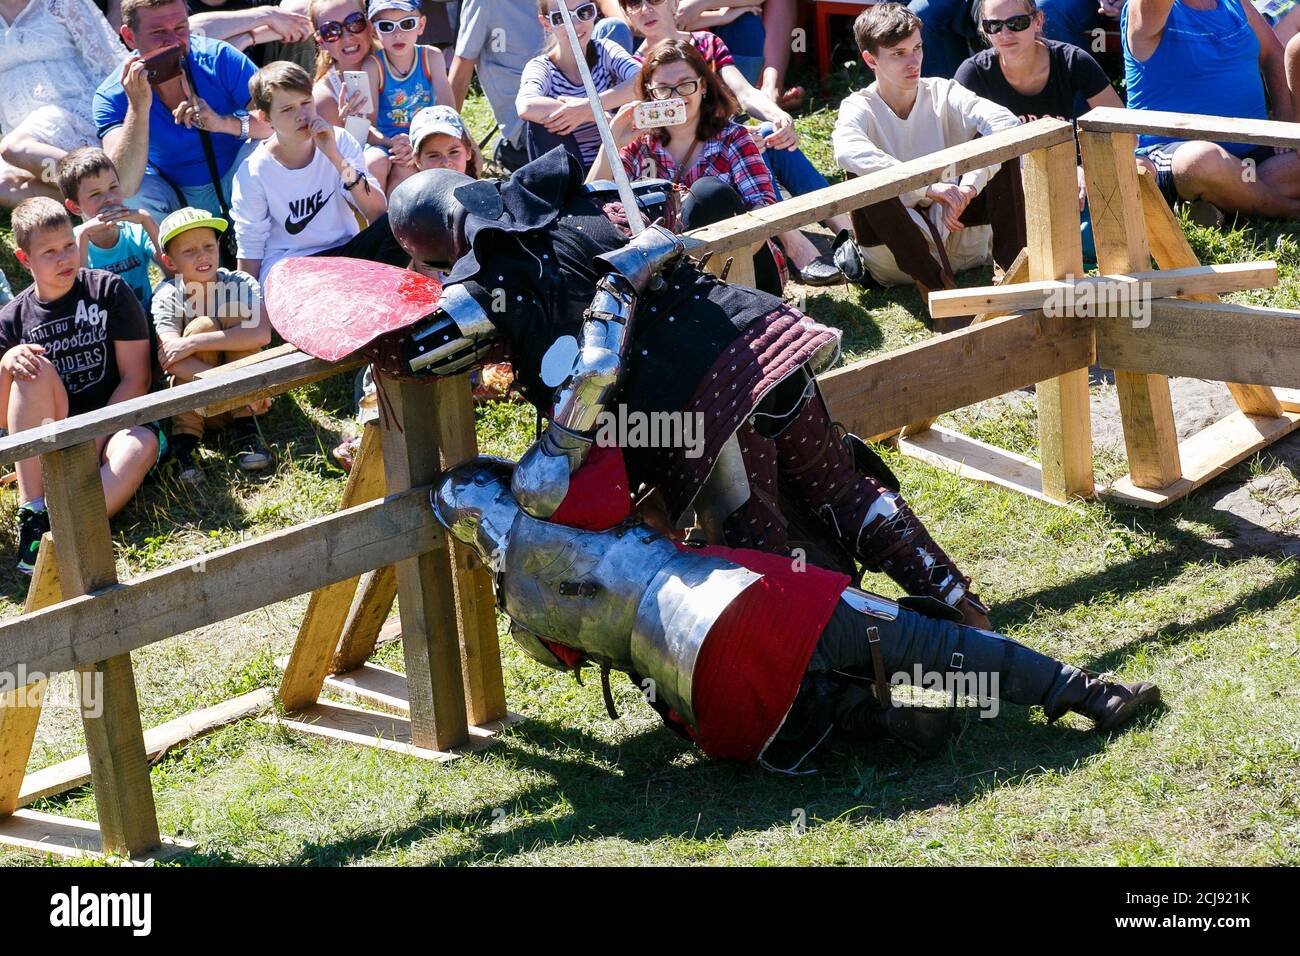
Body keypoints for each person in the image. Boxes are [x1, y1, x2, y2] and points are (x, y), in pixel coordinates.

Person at [281, 148, 999, 628]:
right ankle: (961, 610)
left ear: (426, 242)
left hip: (695, 400)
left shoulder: (482, 287)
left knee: (757, 548)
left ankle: (865, 657)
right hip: (762, 338)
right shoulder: (580, 199)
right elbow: (673, 205)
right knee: (843, 486)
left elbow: (413, 352)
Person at [433, 456, 1161, 765]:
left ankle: (870, 719)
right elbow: (591, 394)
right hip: (741, 601)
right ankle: (1088, 694)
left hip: (708, 703)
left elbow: (569, 657)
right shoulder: (557, 494)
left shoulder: (521, 613)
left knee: (803, 701)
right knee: (916, 643)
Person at [620, 0, 847, 284]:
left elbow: (744, 93)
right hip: (692, 164)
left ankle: (847, 232)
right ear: (626, 12)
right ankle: (796, 245)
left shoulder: (705, 43)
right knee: (746, 144)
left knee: (765, 134)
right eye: (632, 2)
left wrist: (779, 117)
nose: (645, 9)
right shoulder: (630, 66)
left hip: (726, 137)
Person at [832, 4, 1026, 321]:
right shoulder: (859, 107)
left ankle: (1011, 270)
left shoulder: (943, 90)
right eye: (898, 53)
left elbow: (1006, 123)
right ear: (870, 59)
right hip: (898, 258)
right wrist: (926, 187)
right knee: (861, 175)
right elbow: (846, 150)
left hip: (963, 235)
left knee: (1001, 146)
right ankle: (934, 287)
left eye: (918, 48)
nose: (914, 62)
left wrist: (969, 188)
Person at [0, 198, 158, 572]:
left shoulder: (109, 290)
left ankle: (61, 530)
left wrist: (93, 438)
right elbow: (3, 416)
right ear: (25, 260)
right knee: (29, 364)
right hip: (49, 436)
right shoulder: (11, 318)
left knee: (141, 446)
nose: (64, 259)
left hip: (115, 422)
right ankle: (35, 511)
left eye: (69, 245)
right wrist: (6, 365)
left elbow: (138, 377)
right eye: (49, 252)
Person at [588, 39, 788, 295]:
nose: (676, 97)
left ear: (703, 87)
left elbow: (765, 208)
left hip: (744, 268)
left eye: (685, 85)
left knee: (707, 193)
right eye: (664, 89)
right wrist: (612, 142)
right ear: (650, 93)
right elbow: (590, 209)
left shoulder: (733, 138)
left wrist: (724, 251)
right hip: (670, 283)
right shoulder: (640, 146)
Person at [954, 0, 1122, 263]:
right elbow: (955, 150)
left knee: (1090, 239)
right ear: (984, 30)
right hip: (1006, 189)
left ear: (1038, 21)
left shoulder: (1072, 60)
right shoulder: (973, 74)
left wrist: (1086, 168)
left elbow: (1123, 130)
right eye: (993, 26)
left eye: (1016, 23)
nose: (1005, 34)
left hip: (1069, 181)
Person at [92, 0, 271, 225]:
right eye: (158, 32)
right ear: (129, 37)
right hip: (172, 200)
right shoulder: (111, 95)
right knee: (129, 194)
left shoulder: (219, 58)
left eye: (180, 29)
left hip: (236, 179)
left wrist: (223, 123)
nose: (173, 42)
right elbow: (124, 186)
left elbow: (277, 123)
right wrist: (138, 108)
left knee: (269, 149)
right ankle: (170, 257)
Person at [1126, 0, 1300, 221]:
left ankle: (1225, 201)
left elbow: (1273, 54)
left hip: (1254, 159)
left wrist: (1285, 125)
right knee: (1202, 161)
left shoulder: (1235, 4)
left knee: (1227, 173)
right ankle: (1284, 209)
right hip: (1178, 153)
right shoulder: (1146, 10)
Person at [230, 61, 398, 285]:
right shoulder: (253, 172)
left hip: (343, 255)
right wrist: (248, 307)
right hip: (293, 269)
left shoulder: (338, 140)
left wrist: (336, 159)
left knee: (398, 225)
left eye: (306, 102)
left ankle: (381, 297)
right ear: (265, 118)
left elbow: (377, 213)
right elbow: (250, 246)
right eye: (287, 109)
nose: (301, 115)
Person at [152, 207, 273, 479]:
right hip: (200, 397)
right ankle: (185, 446)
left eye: (208, 246)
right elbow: (171, 358)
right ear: (169, 262)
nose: (203, 255)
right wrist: (228, 385)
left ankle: (247, 432)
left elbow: (262, 334)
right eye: (189, 251)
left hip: (242, 396)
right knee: (202, 324)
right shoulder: (167, 294)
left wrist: (195, 343)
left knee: (231, 312)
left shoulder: (239, 281)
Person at [0, 0, 127, 208]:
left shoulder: (62, 3)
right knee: (4, 186)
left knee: (13, 148)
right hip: (22, 128)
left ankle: (105, 186)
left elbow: (109, 64)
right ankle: (93, 198)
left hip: (74, 113)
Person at [516, 0, 641, 169]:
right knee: (538, 122)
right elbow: (526, 105)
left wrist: (588, 107)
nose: (574, 24)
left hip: (616, 162)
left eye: (584, 12)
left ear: (594, 12)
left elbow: (643, 80)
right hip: (571, 171)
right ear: (546, 23)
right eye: (561, 17)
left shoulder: (605, 50)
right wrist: (597, 116)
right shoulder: (542, 67)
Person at [56, 147, 167, 312]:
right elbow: (79, 299)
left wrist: (146, 219)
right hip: (100, 328)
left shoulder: (136, 231)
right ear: (74, 206)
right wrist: (84, 235)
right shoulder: (69, 244)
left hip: (144, 320)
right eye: (95, 194)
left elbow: (173, 271)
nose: (109, 199)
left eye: (113, 187)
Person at [366, 0, 455, 192]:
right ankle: (377, 219)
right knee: (374, 163)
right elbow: (368, 127)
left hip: (425, 136)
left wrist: (416, 142)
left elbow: (449, 110)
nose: (397, 33)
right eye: (386, 26)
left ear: (420, 25)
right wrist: (393, 143)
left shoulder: (431, 57)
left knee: (407, 170)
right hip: (388, 142)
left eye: (407, 24)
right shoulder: (373, 66)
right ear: (374, 31)